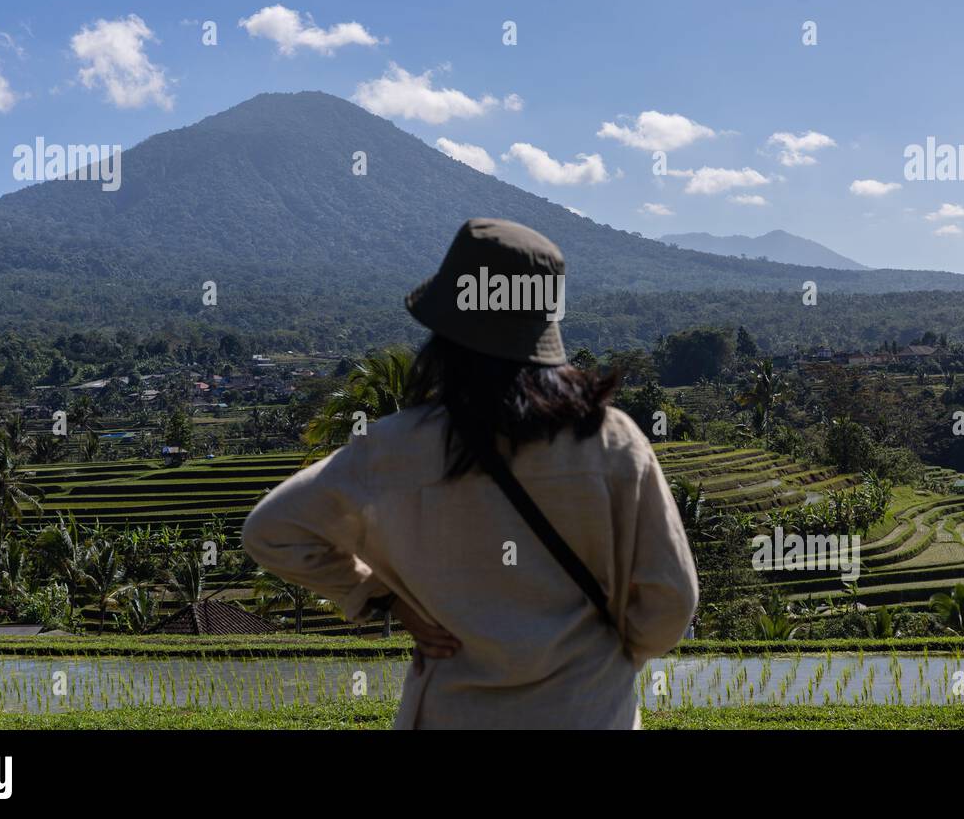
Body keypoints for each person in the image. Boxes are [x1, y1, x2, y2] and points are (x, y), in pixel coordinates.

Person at [243, 217, 698, 728]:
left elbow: (271, 531)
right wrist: (602, 660)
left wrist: (384, 598)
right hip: (588, 709)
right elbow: (670, 599)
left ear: (446, 332)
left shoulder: (397, 445)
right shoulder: (610, 440)